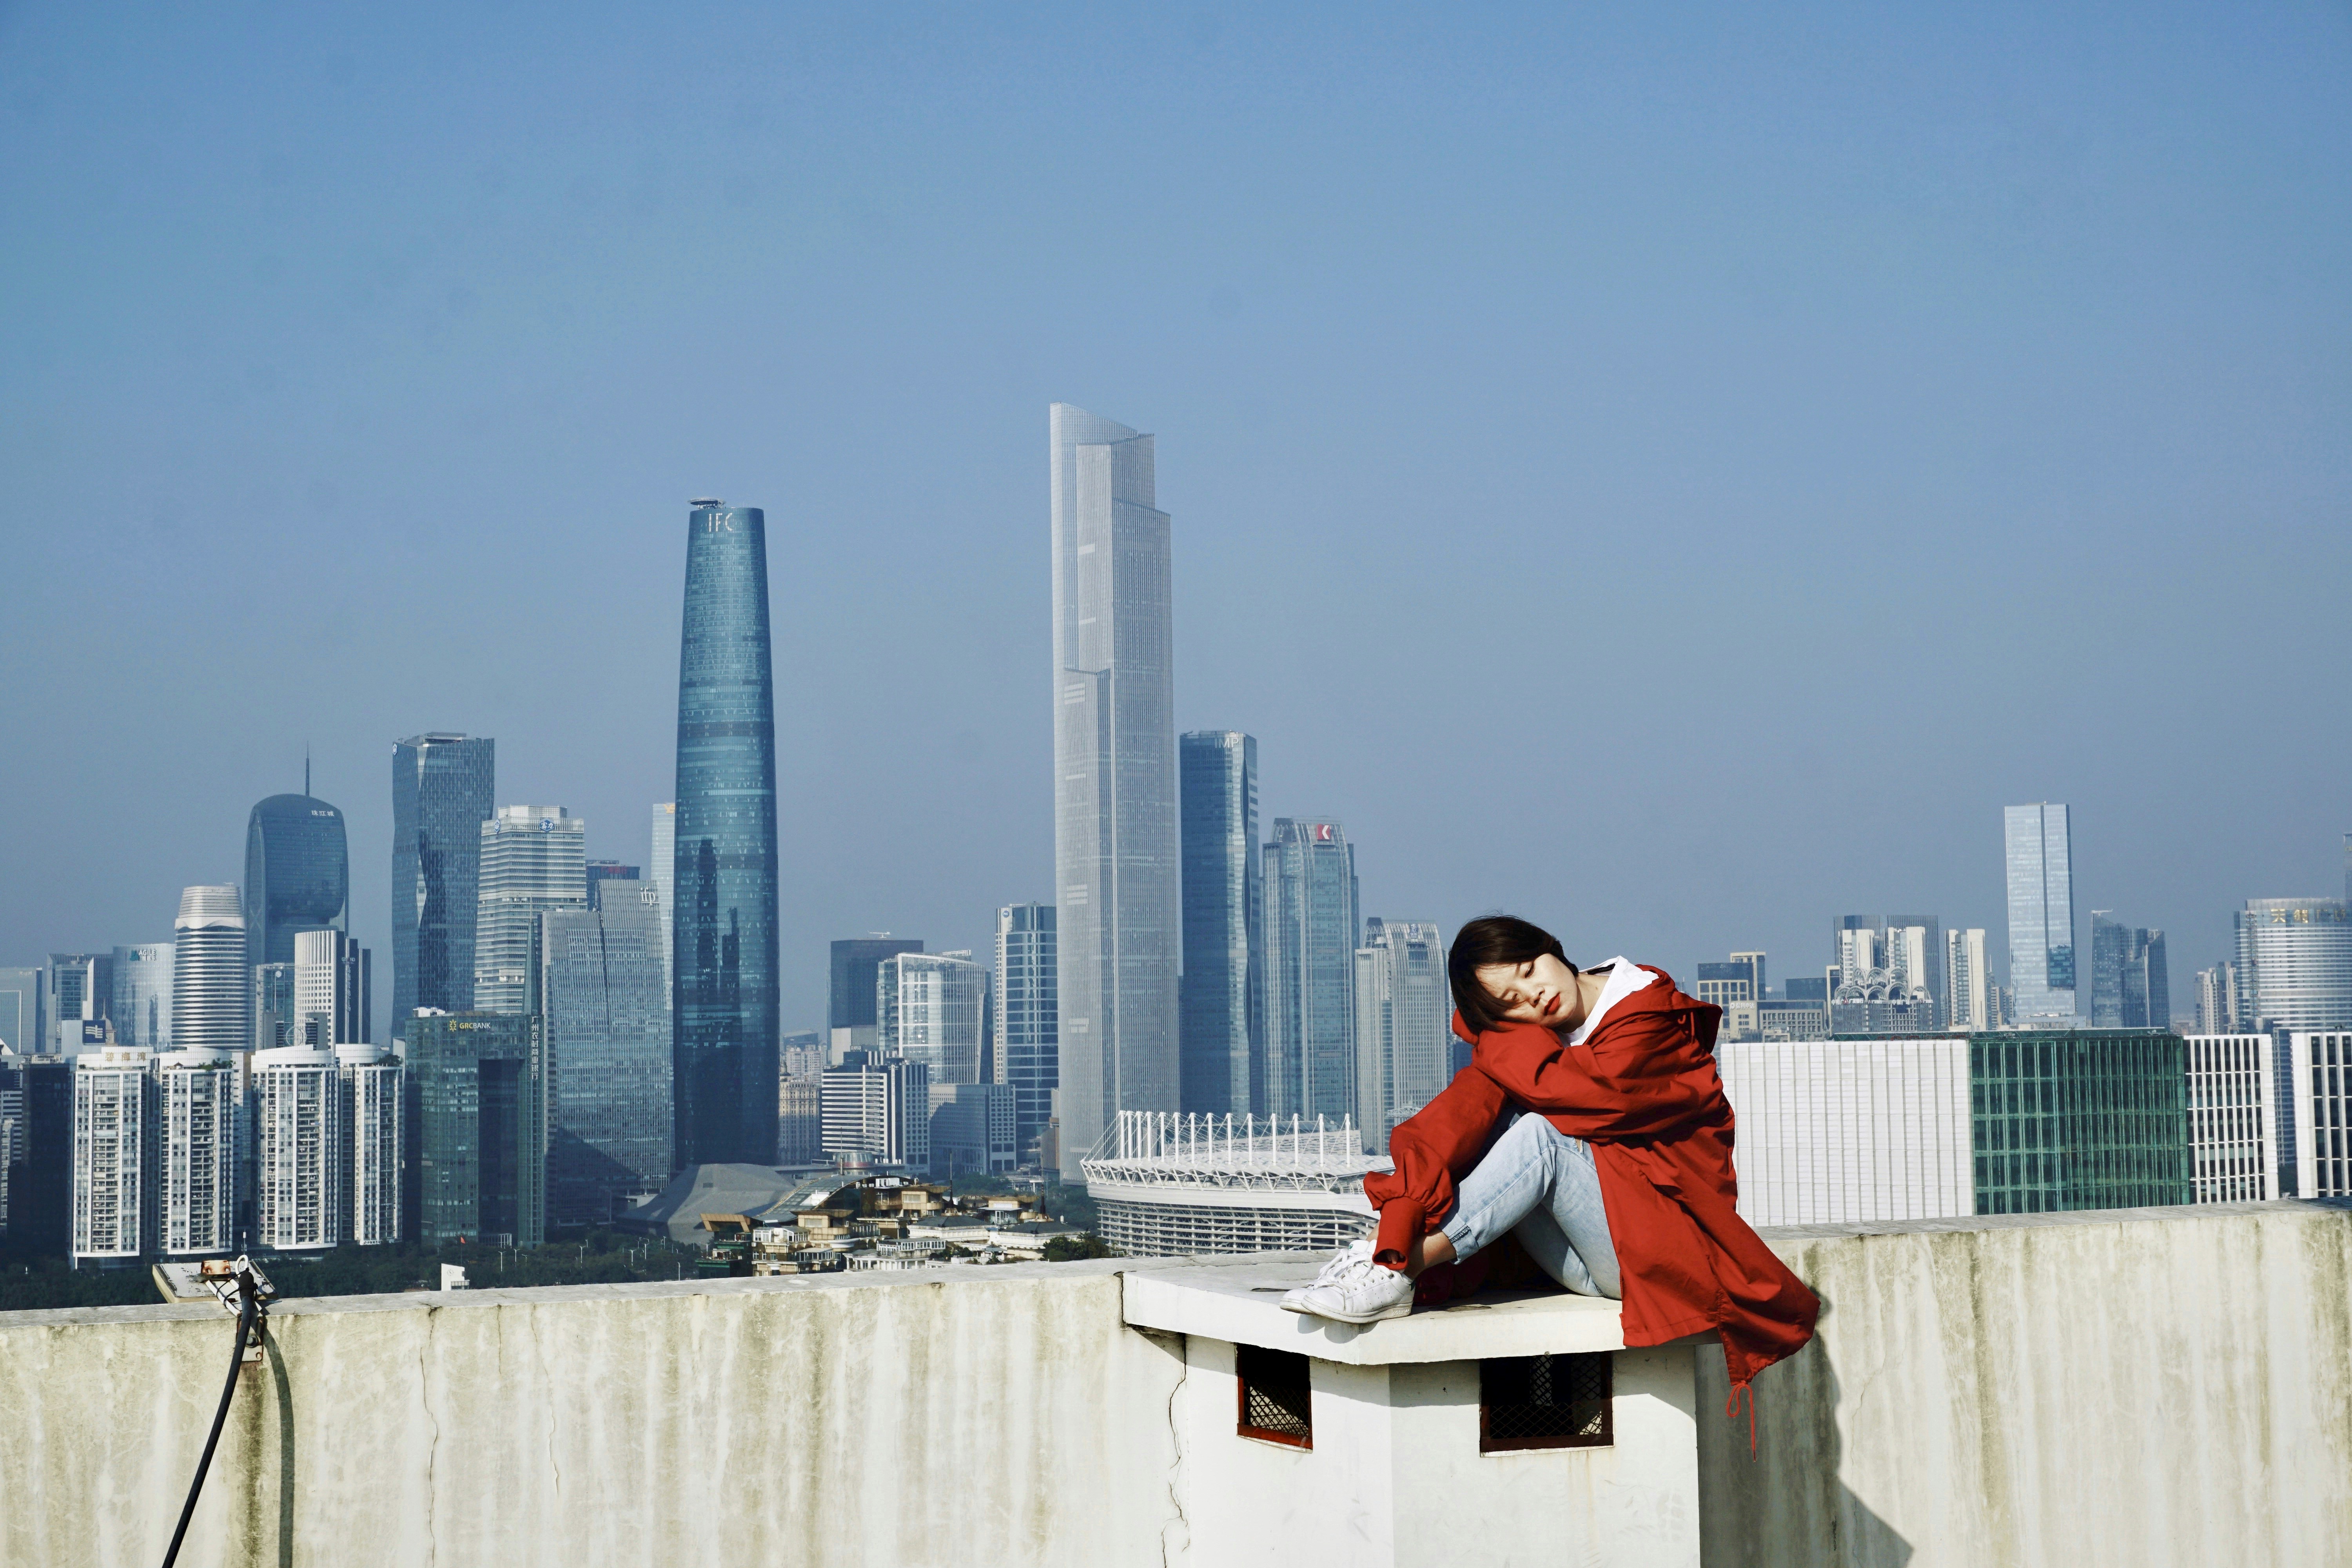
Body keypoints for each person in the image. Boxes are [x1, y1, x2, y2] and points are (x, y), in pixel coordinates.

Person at [1283, 914, 1818, 1403]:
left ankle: (1402, 1266)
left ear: (1552, 949)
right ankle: (1390, 1251)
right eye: (1510, 1001)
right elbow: (1462, 1114)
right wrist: (1406, 1205)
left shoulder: (1646, 1016)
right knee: (1496, 1115)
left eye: (1528, 969)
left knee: (1537, 1131)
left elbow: (1584, 1096)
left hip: (1663, 1254)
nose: (1533, 997)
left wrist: (1493, 1037)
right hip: (1593, 1252)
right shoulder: (1544, 1039)